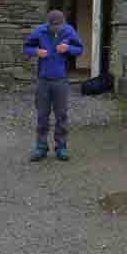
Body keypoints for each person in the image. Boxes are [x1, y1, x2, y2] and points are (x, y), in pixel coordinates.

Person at [23, 10, 83, 162]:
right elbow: (26, 47)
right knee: (42, 115)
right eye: (53, 25)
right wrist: (37, 51)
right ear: (48, 23)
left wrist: (68, 49)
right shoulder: (40, 31)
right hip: (43, 80)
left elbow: (80, 49)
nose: (56, 28)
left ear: (63, 23)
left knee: (61, 114)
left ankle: (61, 147)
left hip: (60, 80)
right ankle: (41, 147)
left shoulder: (69, 31)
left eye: (59, 25)